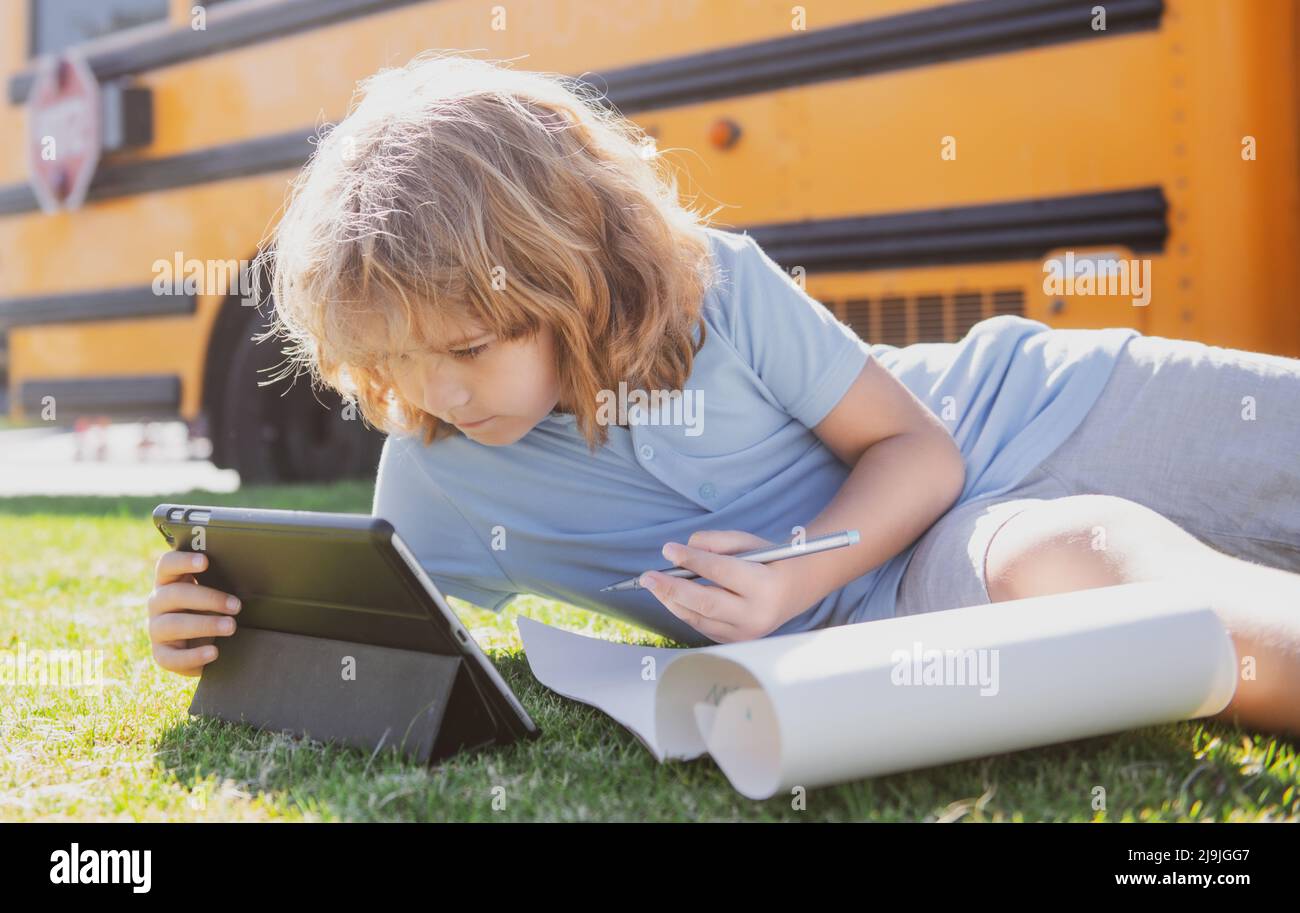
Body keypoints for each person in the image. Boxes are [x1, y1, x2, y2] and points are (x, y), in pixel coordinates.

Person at [147, 51, 1300, 736]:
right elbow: (372, 640)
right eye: (396, 366)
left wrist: (794, 562)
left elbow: (918, 447)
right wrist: (215, 625)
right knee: (1089, 564)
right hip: (922, 568)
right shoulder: (437, 479)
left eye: (471, 347)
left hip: (1037, 405)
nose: (437, 396)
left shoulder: (715, 290)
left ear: (571, 276)